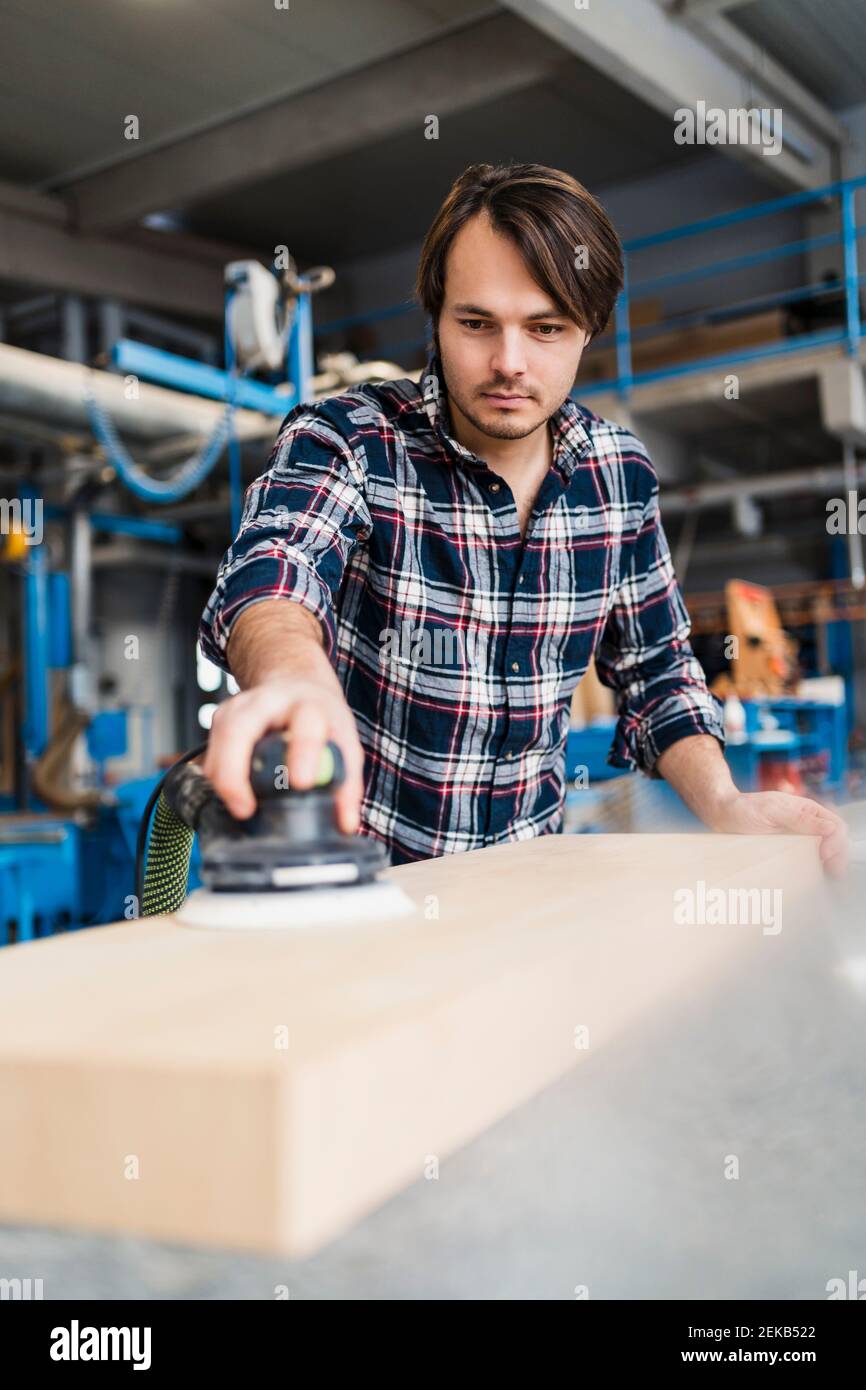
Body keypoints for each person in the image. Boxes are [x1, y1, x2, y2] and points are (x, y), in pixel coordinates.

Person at [198, 162, 847, 874]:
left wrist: (726, 804)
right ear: (436, 316)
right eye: (477, 323)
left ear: (589, 329)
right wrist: (293, 677)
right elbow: (275, 570)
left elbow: (658, 670)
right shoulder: (350, 439)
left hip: (519, 895)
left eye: (545, 327)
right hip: (349, 889)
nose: (508, 363)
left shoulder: (618, 475)